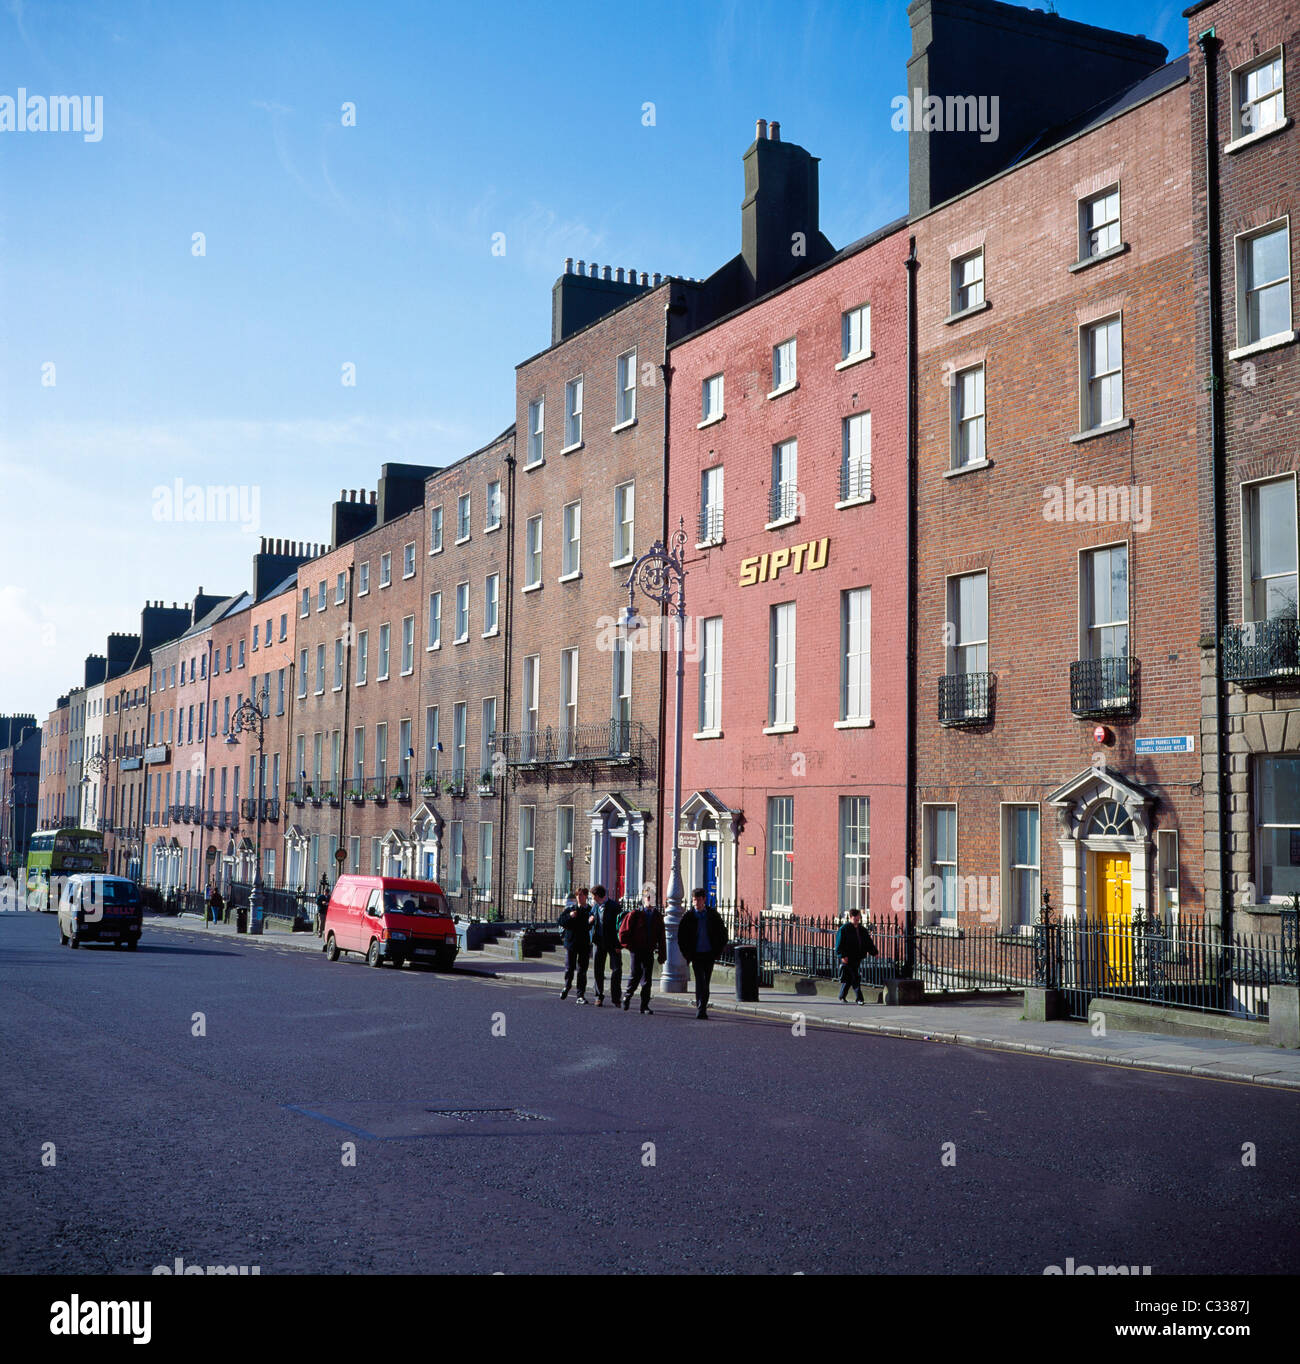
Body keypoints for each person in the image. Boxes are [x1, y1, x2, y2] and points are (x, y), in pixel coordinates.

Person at [677, 888, 729, 1020]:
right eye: (694, 900)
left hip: (709, 954)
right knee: (700, 981)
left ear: (704, 900)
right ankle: (701, 1008)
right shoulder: (688, 917)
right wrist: (687, 954)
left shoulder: (712, 915)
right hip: (696, 955)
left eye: (699, 900)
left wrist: (717, 951)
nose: (696, 903)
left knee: (706, 982)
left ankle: (703, 1006)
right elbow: (681, 938)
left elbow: (723, 933)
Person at [619, 884, 666, 1014]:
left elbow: (662, 937)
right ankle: (627, 996)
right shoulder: (635, 914)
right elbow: (623, 932)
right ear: (643, 899)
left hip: (649, 950)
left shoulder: (657, 916)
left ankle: (644, 1005)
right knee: (635, 975)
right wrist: (629, 947)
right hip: (636, 950)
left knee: (647, 979)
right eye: (647, 897)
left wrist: (662, 954)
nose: (650, 900)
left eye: (652, 898)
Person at [588, 882, 623, 1007]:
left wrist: (619, 945)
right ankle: (598, 996)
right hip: (598, 942)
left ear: (598, 896)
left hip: (613, 943)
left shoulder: (614, 907)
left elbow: (620, 927)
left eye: (593, 897)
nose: (592, 899)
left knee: (616, 970)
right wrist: (590, 920)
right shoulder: (595, 907)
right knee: (598, 970)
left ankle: (616, 998)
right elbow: (590, 919)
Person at [835, 906, 878, 1003]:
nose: (857, 920)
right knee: (855, 977)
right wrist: (842, 956)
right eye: (855, 918)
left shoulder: (862, 930)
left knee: (850, 978)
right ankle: (859, 998)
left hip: (858, 956)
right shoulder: (844, 929)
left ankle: (842, 996)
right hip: (848, 957)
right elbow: (839, 944)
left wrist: (874, 952)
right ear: (850, 917)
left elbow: (868, 942)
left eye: (858, 918)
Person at [557, 886, 592, 1003]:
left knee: (582, 970)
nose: (579, 897)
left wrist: (590, 921)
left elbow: (589, 926)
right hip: (571, 943)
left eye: (581, 895)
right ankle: (567, 986)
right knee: (569, 968)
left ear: (586, 896)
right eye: (577, 895)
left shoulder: (589, 910)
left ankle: (580, 995)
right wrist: (570, 916)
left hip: (584, 944)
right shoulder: (571, 908)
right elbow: (561, 921)